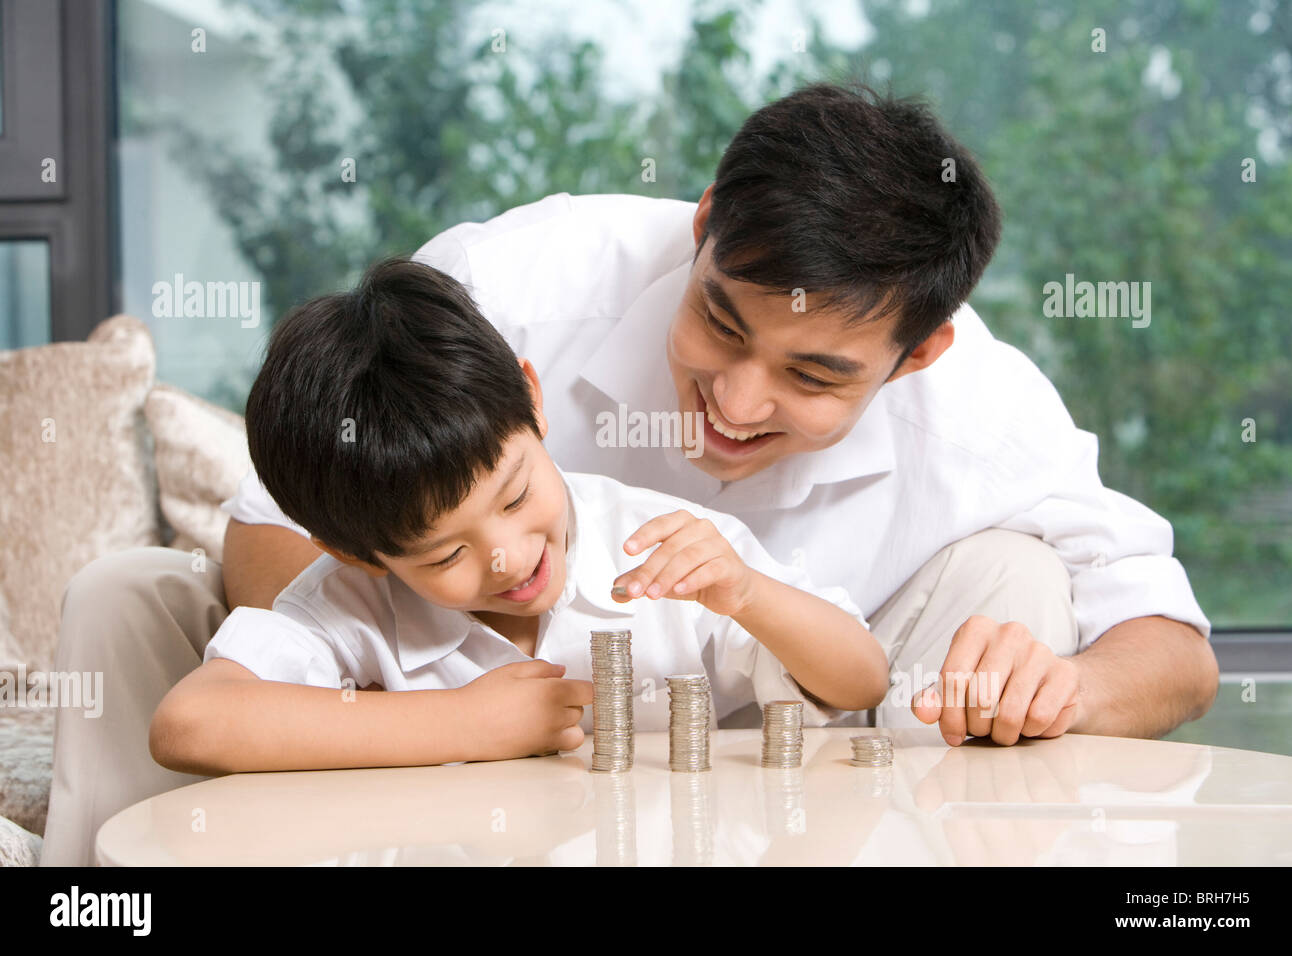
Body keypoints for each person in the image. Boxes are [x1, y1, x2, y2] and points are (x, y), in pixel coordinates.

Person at [42, 82, 1216, 866]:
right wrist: (450, 698)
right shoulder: (510, 282)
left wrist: (1057, 690)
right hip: (442, 696)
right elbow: (273, 528)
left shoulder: (981, 404)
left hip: (794, 709)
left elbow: (1173, 647)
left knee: (1018, 578)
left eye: (812, 374)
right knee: (121, 594)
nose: (738, 402)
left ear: (916, 353)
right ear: (702, 226)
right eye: (718, 320)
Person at [148, 257, 887, 773]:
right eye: (444, 555)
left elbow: (862, 681)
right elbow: (190, 724)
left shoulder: (671, 550)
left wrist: (749, 596)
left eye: (514, 495)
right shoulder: (350, 605)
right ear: (357, 554)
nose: (506, 557)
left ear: (532, 402)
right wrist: (462, 724)